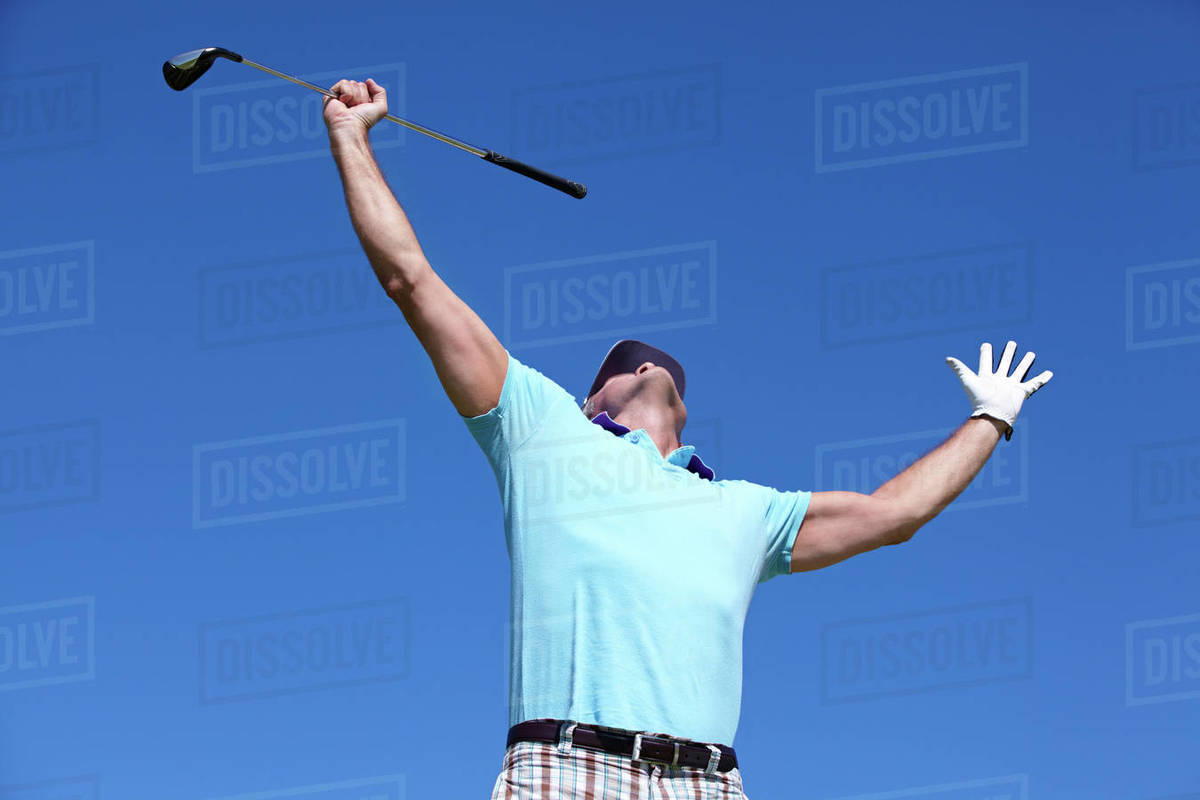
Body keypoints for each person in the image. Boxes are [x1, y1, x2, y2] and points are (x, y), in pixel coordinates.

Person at [322, 78, 1054, 800]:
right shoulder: (541, 433)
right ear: (589, 403)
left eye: (656, 364)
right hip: (565, 768)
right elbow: (411, 280)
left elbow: (894, 515)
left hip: (709, 784)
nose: (644, 365)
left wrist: (990, 419)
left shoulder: (747, 511)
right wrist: (351, 137)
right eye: (619, 365)